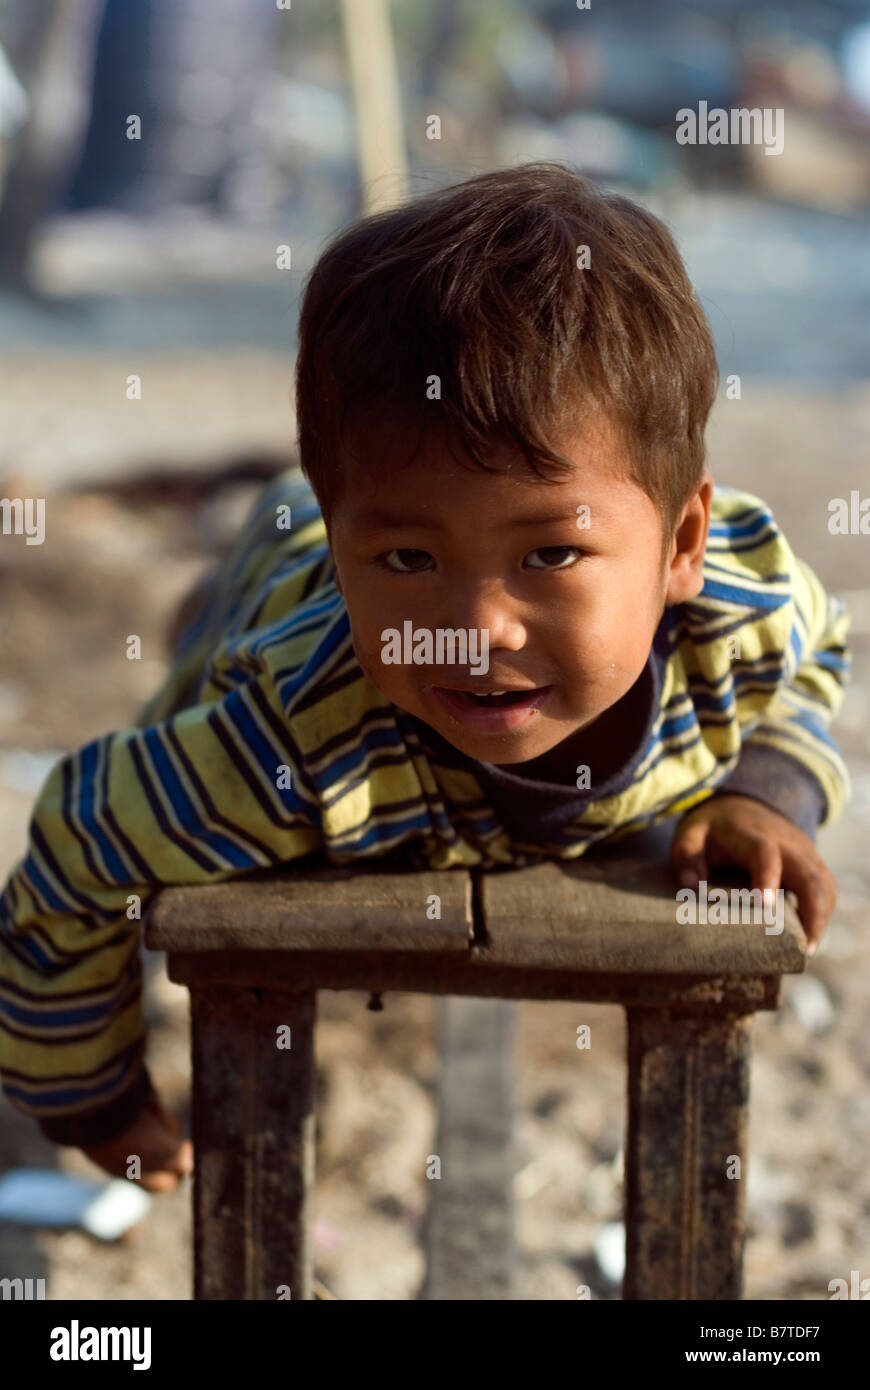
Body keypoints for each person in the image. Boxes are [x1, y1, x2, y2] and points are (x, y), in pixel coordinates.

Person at [0, 163, 851, 1194]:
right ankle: (244, 570)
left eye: (549, 556)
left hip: (326, 543)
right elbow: (83, 837)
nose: (476, 628)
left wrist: (770, 790)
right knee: (229, 617)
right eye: (409, 560)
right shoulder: (287, 743)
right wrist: (89, 1095)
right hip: (281, 592)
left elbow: (819, 655)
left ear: (681, 546)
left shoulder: (738, 619)